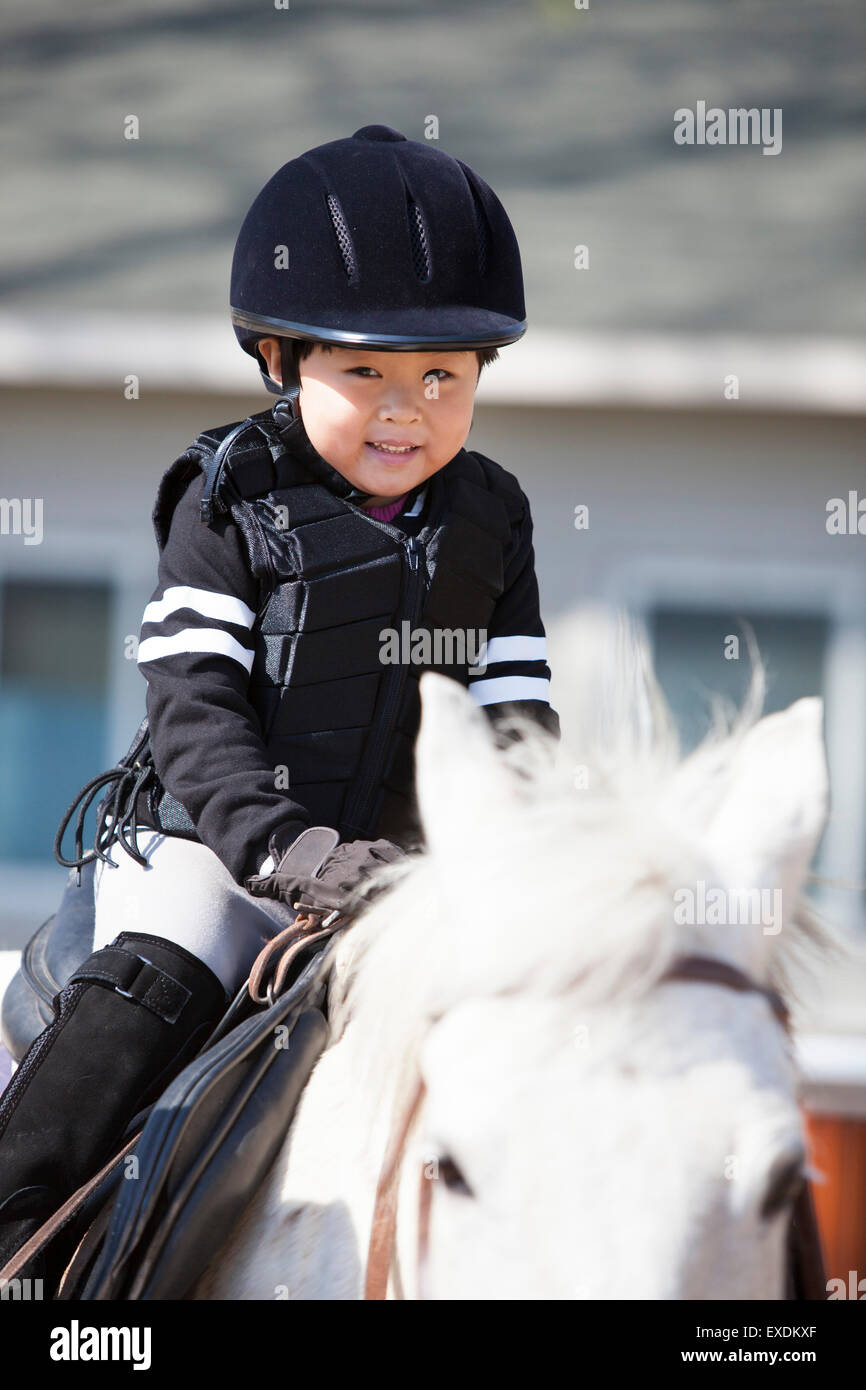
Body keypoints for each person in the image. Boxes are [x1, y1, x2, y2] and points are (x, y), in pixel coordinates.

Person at [0, 123, 560, 1272]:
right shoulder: (229, 499)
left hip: (400, 877)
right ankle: (15, 1227)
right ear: (277, 355)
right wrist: (286, 851)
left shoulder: (493, 517)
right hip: (214, 851)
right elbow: (192, 708)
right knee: (152, 973)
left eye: (441, 377)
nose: (407, 409)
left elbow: (516, 724)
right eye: (366, 372)